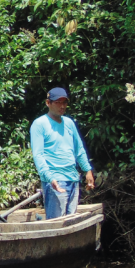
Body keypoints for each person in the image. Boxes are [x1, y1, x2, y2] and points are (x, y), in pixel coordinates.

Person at [30, 87, 94, 219]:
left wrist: (87, 170)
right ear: (48, 103)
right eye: (58, 102)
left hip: (73, 179)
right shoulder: (39, 124)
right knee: (56, 224)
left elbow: (79, 149)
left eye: (64, 102)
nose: (62, 106)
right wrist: (50, 178)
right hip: (55, 181)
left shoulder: (69, 123)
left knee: (71, 223)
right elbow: (38, 155)